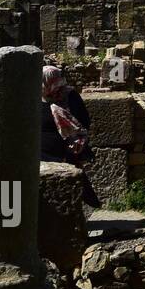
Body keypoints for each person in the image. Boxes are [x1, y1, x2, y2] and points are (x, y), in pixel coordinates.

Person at [39, 65, 101, 207]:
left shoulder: (69, 96)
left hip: (66, 152)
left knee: (71, 188)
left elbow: (84, 119)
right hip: (42, 153)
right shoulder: (36, 98)